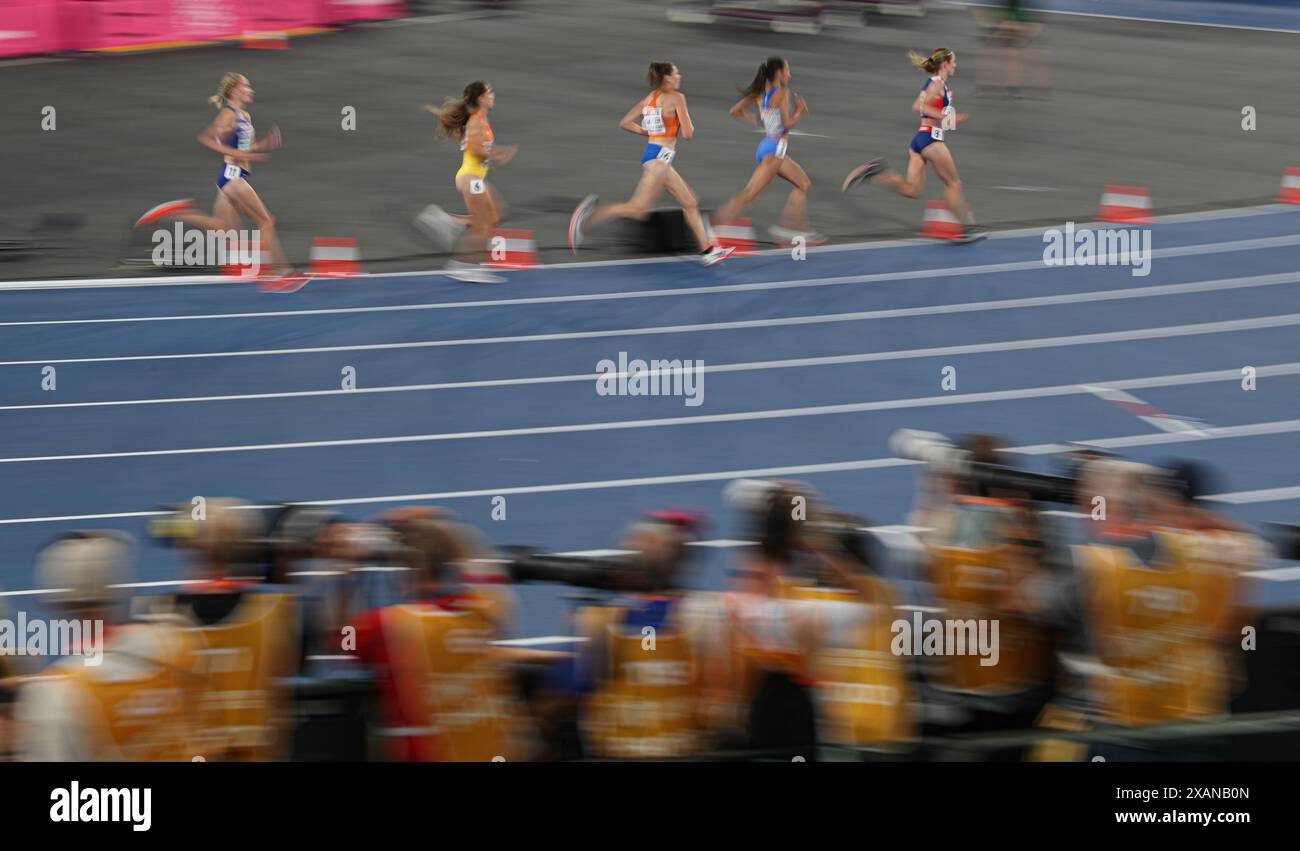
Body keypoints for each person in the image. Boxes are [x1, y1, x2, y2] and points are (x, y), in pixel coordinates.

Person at [134, 72, 306, 285]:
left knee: (223, 228)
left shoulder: (245, 116)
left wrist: (262, 145)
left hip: (233, 176)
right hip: (232, 177)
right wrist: (238, 154)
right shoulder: (228, 114)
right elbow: (206, 138)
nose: (250, 90)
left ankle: (175, 212)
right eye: (246, 86)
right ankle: (281, 272)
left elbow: (243, 147)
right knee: (266, 221)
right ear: (234, 91)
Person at [568, 61, 735, 267]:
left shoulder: (651, 98)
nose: (679, 76)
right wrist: (685, 120)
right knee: (637, 210)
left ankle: (708, 251)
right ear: (667, 78)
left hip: (655, 157)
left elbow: (625, 122)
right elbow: (688, 133)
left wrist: (646, 131)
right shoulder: (677, 98)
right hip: (659, 162)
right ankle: (587, 217)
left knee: (690, 202)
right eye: (676, 73)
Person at [842, 48, 984, 243]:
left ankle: (876, 173)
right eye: (953, 62)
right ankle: (965, 229)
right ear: (945, 65)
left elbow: (932, 115)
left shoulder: (941, 86)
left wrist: (953, 120)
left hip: (921, 140)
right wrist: (946, 116)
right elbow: (918, 106)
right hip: (931, 140)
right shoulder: (937, 84)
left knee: (912, 190)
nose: (955, 66)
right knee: (953, 183)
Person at [712, 56, 823, 246]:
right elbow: (787, 124)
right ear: (779, 73)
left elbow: (735, 111)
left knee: (803, 183)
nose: (790, 74)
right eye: (787, 70)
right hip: (775, 151)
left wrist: (757, 120)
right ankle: (711, 226)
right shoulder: (782, 93)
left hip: (769, 147)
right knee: (748, 196)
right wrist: (799, 110)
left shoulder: (759, 92)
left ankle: (792, 229)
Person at [418, 81, 518, 284]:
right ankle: (464, 266)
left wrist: (489, 159)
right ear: (481, 98)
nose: (493, 95)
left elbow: (477, 149)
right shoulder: (476, 121)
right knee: (483, 225)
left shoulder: (480, 120)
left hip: (474, 178)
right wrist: (498, 154)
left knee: (495, 216)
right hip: (471, 179)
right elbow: (474, 148)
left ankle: (447, 221)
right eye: (490, 92)